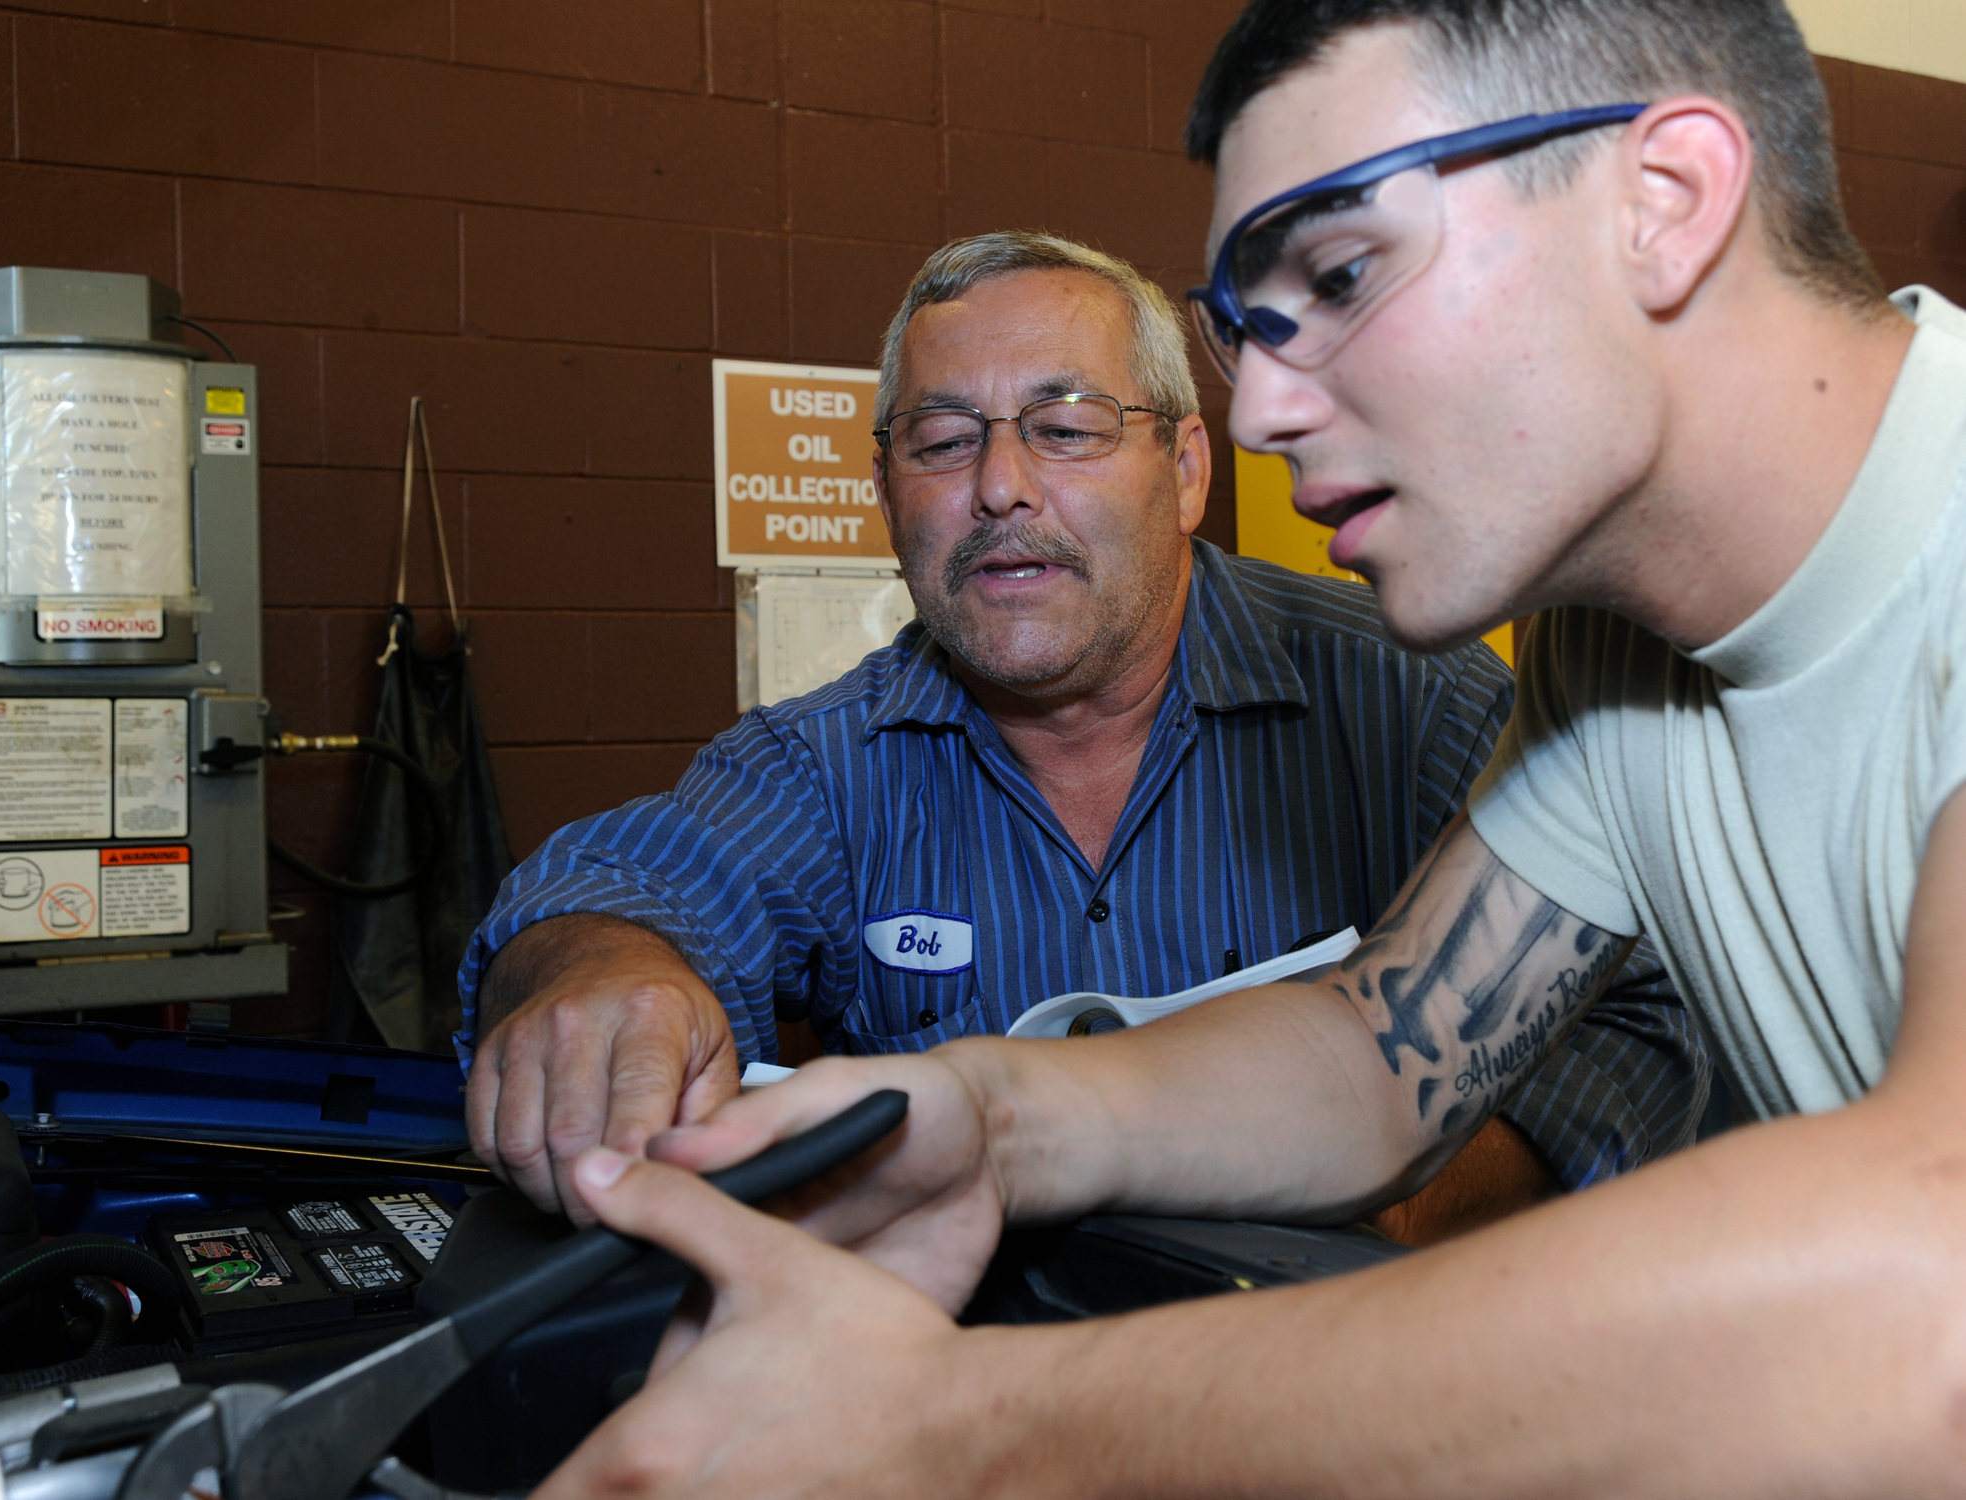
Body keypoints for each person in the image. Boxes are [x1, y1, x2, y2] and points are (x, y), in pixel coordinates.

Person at [533, 2, 1966, 1496]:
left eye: (1340, 276)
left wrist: (958, 1421)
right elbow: (1383, 1050)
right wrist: (986, 1120)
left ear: (1662, 205)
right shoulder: (1618, 652)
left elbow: (1924, 1310)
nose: (1265, 410)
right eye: (1248, 323)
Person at [460, 232, 1705, 1237]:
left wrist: (1407, 1189)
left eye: (1064, 428)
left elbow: (1636, 1024)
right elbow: (644, 881)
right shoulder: (825, 765)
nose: (1000, 486)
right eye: (943, 442)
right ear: (887, 491)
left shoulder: (1409, 698)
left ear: (1185, 470)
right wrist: (594, 974)